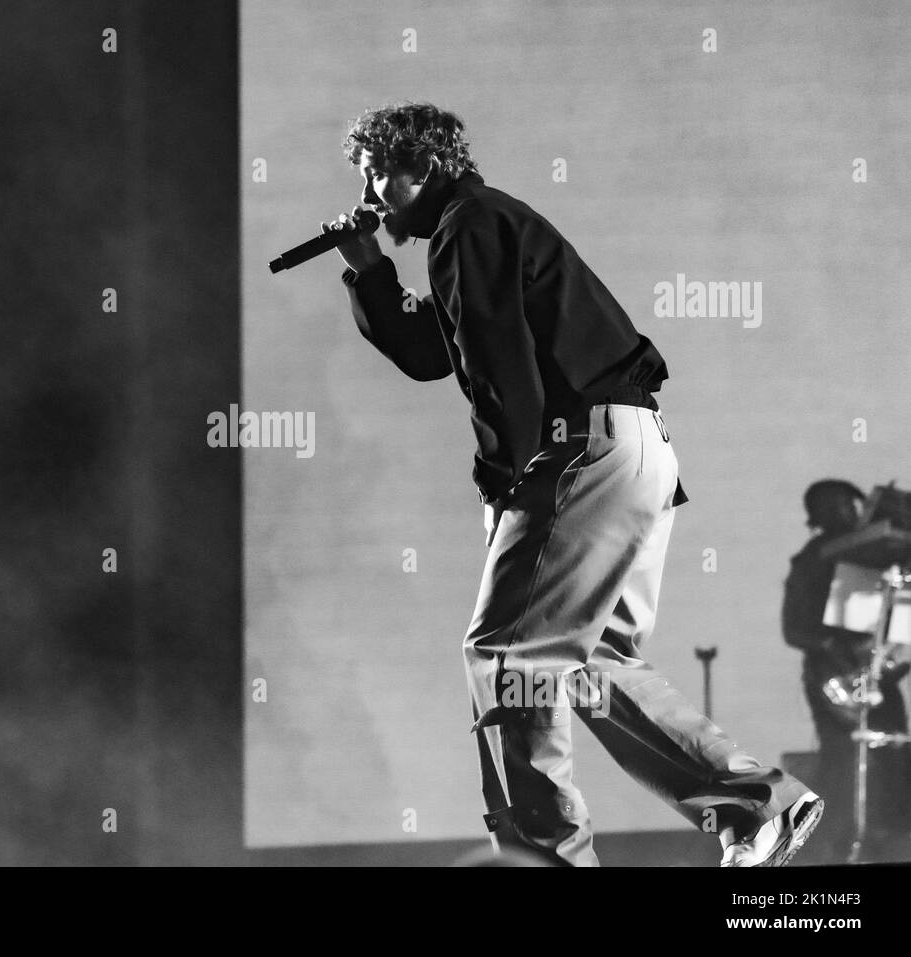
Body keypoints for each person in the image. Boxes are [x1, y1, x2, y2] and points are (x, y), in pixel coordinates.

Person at [325, 101, 821, 866]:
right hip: (634, 451)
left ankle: (543, 859)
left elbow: (500, 375)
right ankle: (759, 806)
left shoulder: (468, 224)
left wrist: (504, 487)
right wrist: (368, 268)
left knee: (507, 657)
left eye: (377, 174)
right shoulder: (481, 227)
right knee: (589, 663)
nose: (370, 194)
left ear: (423, 166)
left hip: (579, 451)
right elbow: (438, 351)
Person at [782, 479, 910, 861]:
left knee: (894, 754)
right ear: (815, 519)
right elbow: (794, 629)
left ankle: (888, 842)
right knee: (848, 764)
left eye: (849, 503)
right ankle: (838, 849)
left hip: (879, 678)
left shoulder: (880, 560)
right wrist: (835, 645)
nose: (843, 512)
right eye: (830, 507)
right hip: (833, 678)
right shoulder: (812, 561)